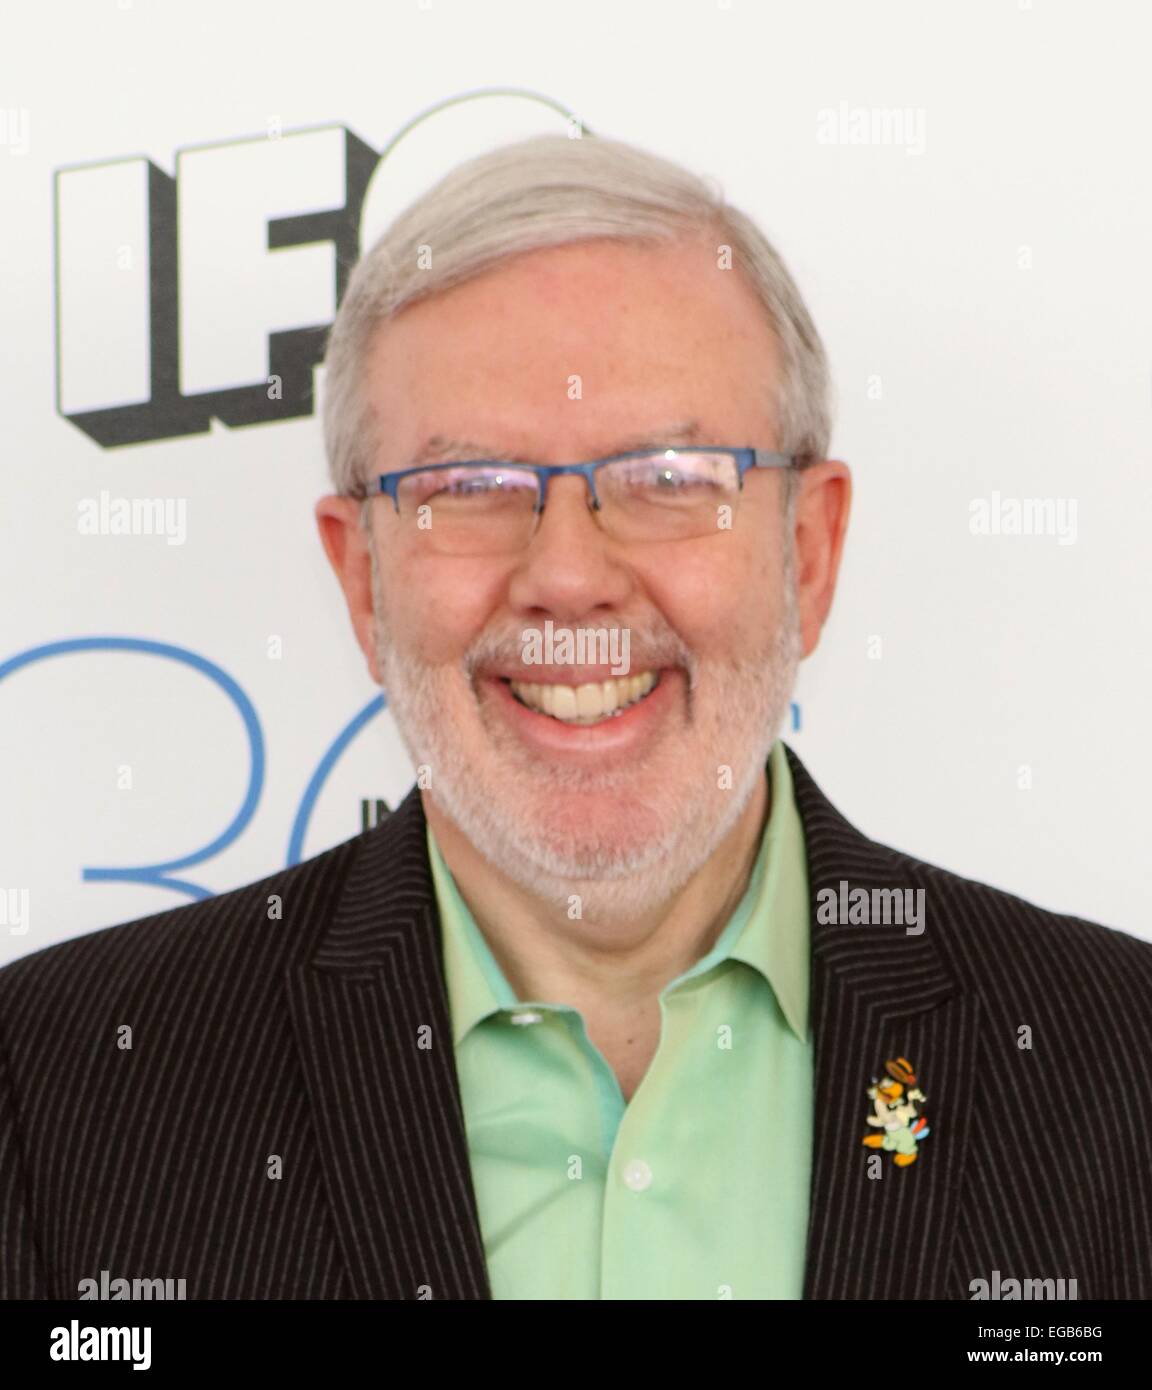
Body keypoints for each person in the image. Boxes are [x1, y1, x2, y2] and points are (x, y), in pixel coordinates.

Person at [2, 133, 1149, 1301]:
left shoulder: (1123, 1070)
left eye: (669, 477)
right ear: (362, 579)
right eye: (470, 488)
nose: (567, 575)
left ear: (808, 551)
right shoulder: (52, 1094)